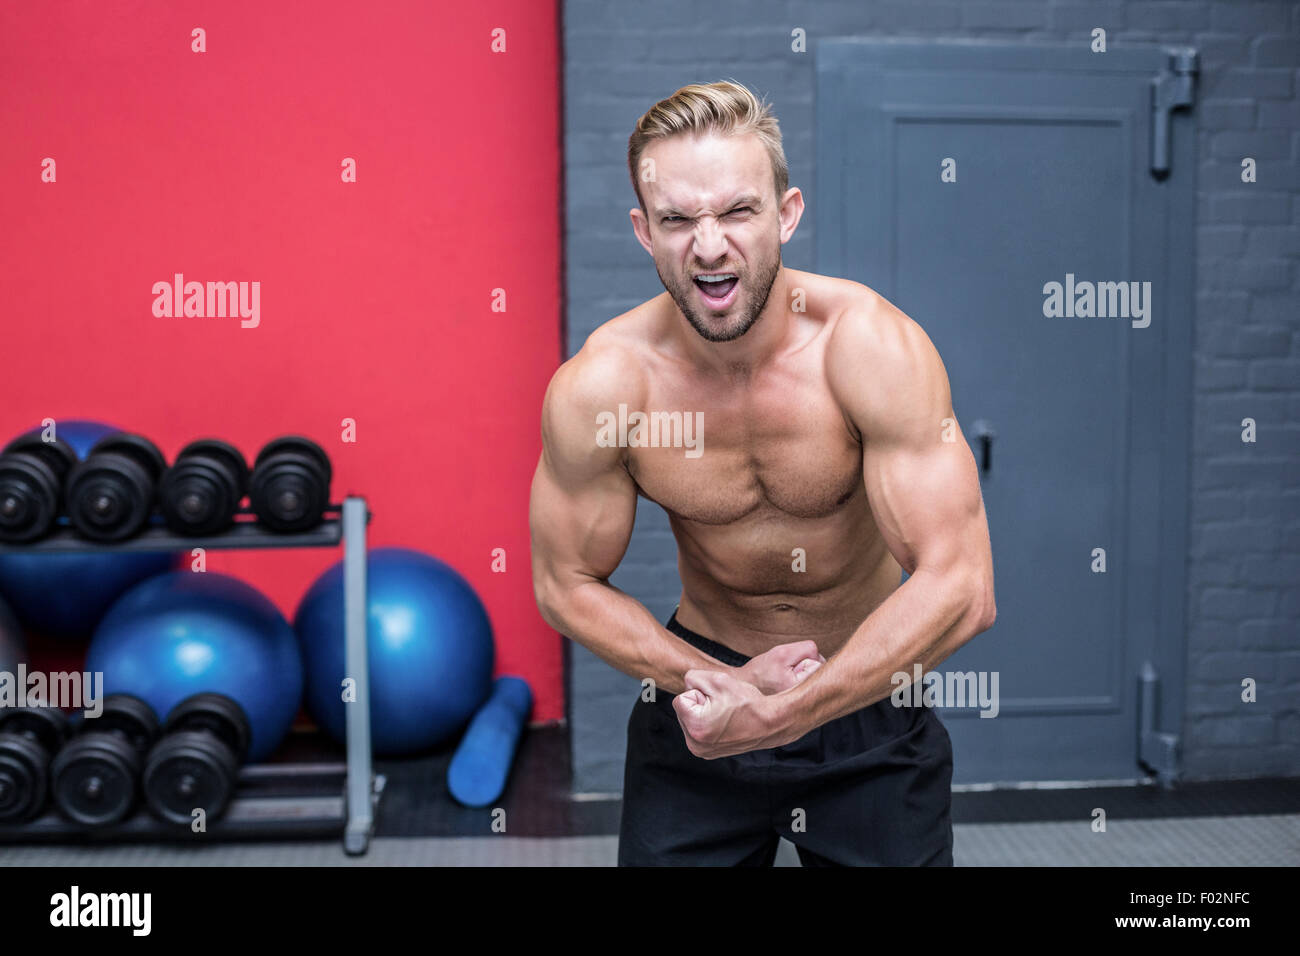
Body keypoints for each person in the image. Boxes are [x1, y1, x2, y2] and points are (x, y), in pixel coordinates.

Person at [529, 81, 996, 866]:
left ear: (787, 214)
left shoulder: (869, 349)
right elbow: (563, 581)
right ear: (645, 231)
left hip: (868, 706)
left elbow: (963, 587)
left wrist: (786, 714)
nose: (709, 246)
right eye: (678, 219)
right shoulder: (607, 385)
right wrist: (716, 686)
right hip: (699, 706)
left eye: (737, 212)